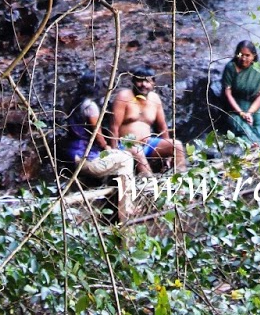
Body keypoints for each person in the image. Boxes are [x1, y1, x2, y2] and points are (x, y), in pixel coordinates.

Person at [60, 73, 140, 218]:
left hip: (73, 156)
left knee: (120, 157)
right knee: (126, 158)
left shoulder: (75, 104)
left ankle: (117, 201)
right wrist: (106, 146)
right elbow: (97, 132)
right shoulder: (90, 106)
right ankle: (126, 206)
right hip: (86, 158)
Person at [109, 67, 187, 172]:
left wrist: (168, 154)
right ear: (133, 81)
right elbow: (114, 126)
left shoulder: (155, 99)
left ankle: (181, 177)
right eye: (140, 80)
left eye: (147, 81)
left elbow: (162, 127)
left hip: (148, 144)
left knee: (177, 145)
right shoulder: (123, 96)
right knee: (138, 151)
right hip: (127, 146)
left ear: (153, 83)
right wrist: (114, 151)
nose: (144, 84)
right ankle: (147, 179)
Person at [220, 40, 260, 144]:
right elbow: (228, 93)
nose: (243, 58)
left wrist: (249, 113)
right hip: (234, 107)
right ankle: (254, 146)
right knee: (244, 128)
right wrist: (241, 113)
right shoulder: (231, 67)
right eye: (241, 55)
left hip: (254, 106)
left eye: (247, 55)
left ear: (254, 56)